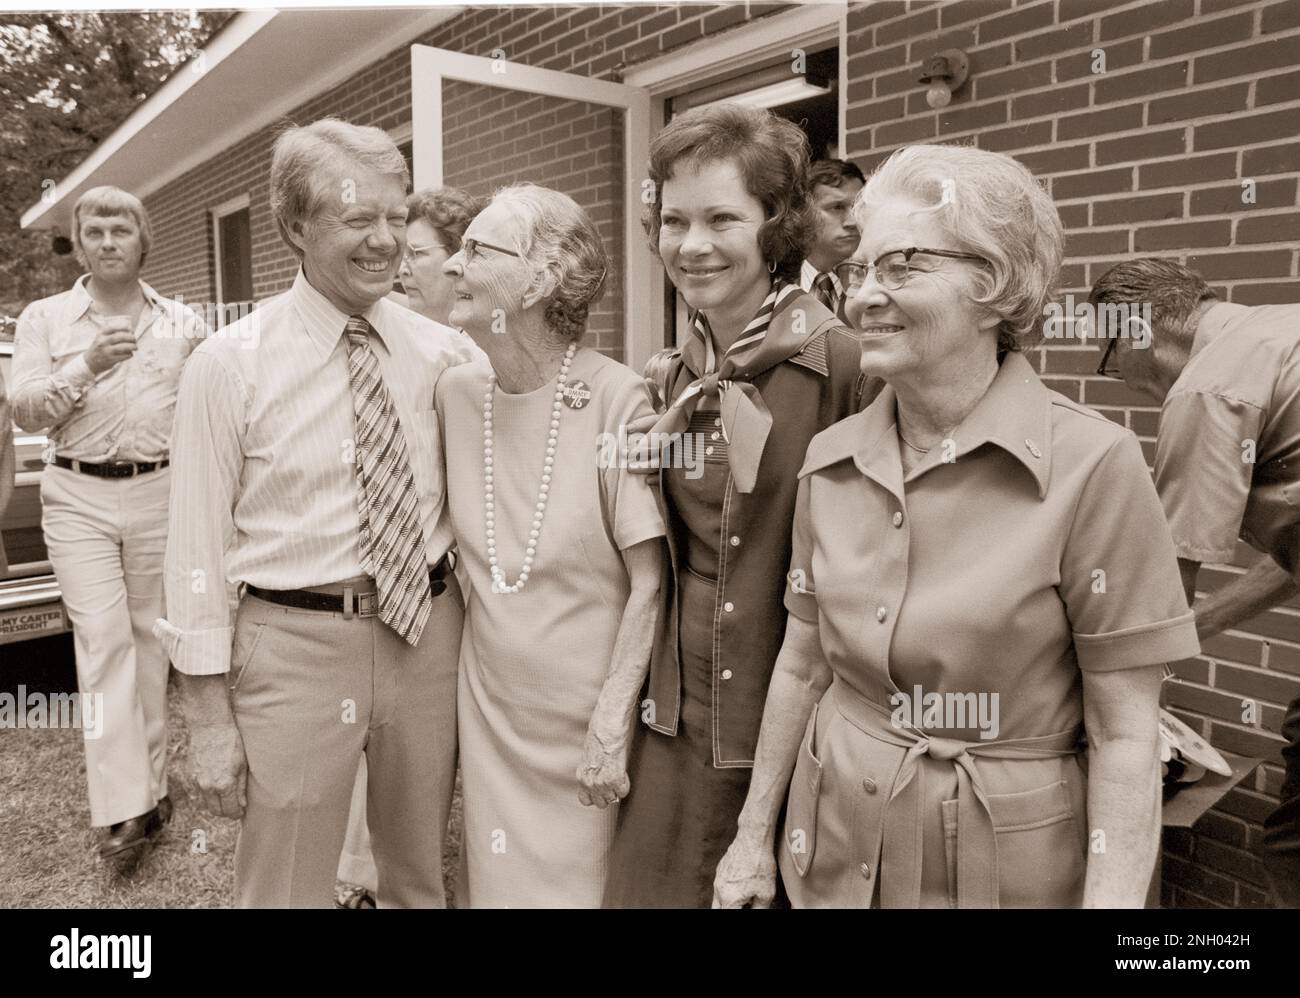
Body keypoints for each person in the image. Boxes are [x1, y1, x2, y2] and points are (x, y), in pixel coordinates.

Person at [712, 143, 1201, 909]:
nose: (866, 295)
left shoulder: (1094, 466)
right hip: (829, 851)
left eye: (903, 265)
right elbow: (802, 664)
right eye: (860, 269)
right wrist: (750, 842)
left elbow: (1127, 736)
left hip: (1001, 874)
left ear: (998, 286)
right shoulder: (830, 459)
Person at [154, 118, 479, 908]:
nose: (384, 241)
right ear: (295, 225)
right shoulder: (228, 365)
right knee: (286, 886)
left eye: (396, 217)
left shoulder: (447, 355)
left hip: (426, 636)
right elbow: (194, 546)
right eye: (356, 217)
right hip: (291, 648)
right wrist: (207, 720)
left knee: (417, 876)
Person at [602, 103, 874, 908]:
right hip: (675, 722)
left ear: (778, 225)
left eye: (723, 217)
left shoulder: (848, 370)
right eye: (674, 218)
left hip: (796, 731)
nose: (692, 244)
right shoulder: (667, 378)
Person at [436, 183, 664, 907]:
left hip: (585, 722)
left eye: (475, 249)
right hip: (495, 711)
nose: (451, 265)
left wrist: (608, 726)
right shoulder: (455, 394)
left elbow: (651, 583)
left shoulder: (616, 400)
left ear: (538, 280)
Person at [1089, 257, 1300, 908]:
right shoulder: (1277, 329)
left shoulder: (1208, 388)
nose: (1117, 378)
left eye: (1107, 356)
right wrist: (1202, 627)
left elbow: (1165, 590)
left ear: (1133, 331)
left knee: (1292, 848)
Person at [11, 186, 207, 874]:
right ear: (79, 241)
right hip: (77, 494)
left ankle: (151, 793)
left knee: (151, 644)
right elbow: (27, 409)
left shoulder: (183, 322)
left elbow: (209, 408)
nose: (107, 238)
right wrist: (86, 365)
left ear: (142, 238)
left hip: (160, 490)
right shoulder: (45, 317)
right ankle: (123, 810)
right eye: (93, 228)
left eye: (120, 226)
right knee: (102, 641)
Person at [335, 183, 480, 909]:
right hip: (363, 588)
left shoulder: (469, 358)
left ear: (460, 265)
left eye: (417, 252)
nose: (399, 264)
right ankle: (360, 870)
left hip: (451, 583)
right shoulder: (365, 341)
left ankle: (395, 872)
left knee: (418, 756)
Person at [397, 186, 482, 323]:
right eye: (402, 254)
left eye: (415, 253)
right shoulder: (402, 332)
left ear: (459, 256)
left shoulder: (488, 340)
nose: (402, 270)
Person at [799, 158, 865, 322]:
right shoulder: (770, 285)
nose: (853, 221)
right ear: (804, 213)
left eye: (859, 207)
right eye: (837, 207)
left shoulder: (875, 284)